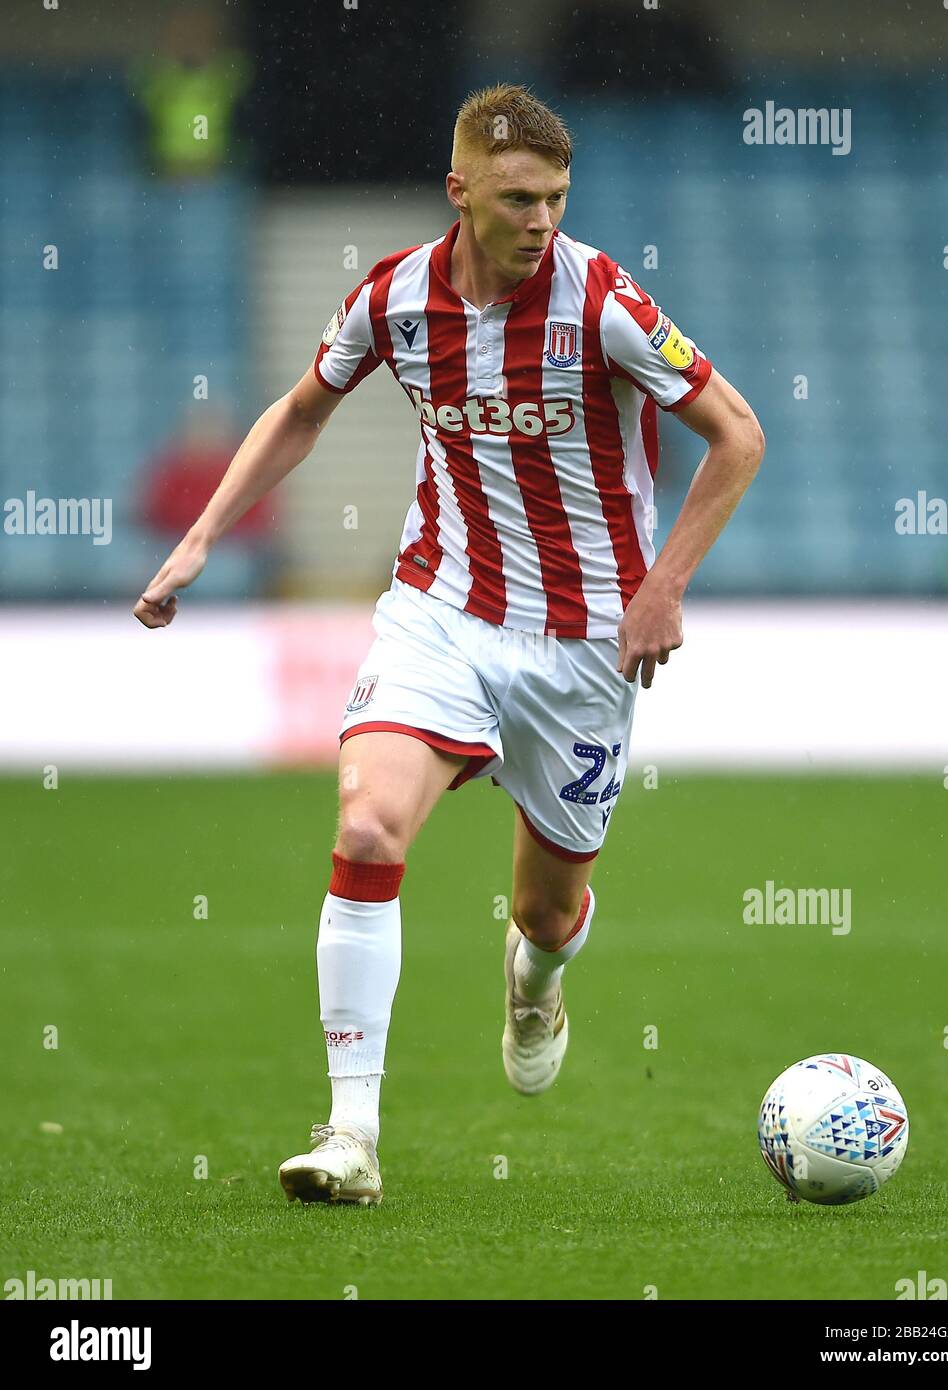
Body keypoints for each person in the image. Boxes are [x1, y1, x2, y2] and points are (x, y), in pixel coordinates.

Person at [134, 84, 764, 1207]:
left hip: (582, 650)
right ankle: (352, 1132)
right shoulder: (393, 300)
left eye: (559, 199)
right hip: (443, 611)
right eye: (521, 197)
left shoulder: (604, 299)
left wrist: (665, 587)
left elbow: (738, 434)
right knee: (369, 821)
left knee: (547, 910)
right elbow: (299, 410)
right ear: (459, 190)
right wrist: (200, 538)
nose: (543, 221)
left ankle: (537, 978)